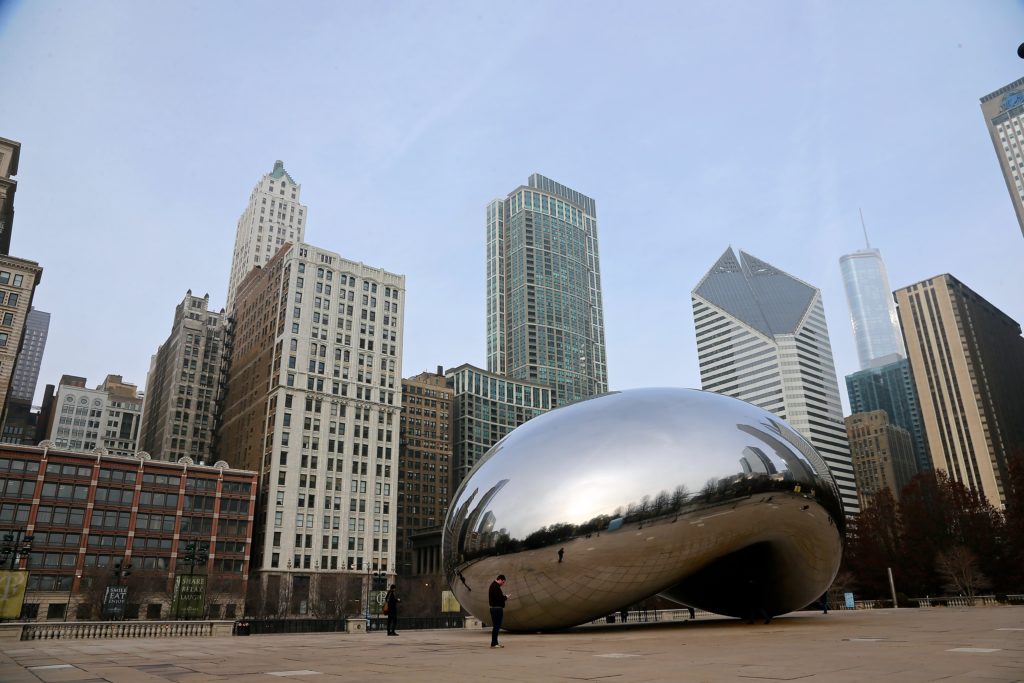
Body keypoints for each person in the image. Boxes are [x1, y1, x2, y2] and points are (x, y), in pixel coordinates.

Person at [488, 574, 509, 647]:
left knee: (496, 626)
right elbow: (499, 598)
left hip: (494, 608)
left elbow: (497, 597)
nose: (503, 584)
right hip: (496, 609)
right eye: (503, 582)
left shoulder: (494, 586)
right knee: (497, 626)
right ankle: (494, 643)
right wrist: (505, 597)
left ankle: (495, 643)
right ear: (500, 579)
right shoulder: (495, 587)